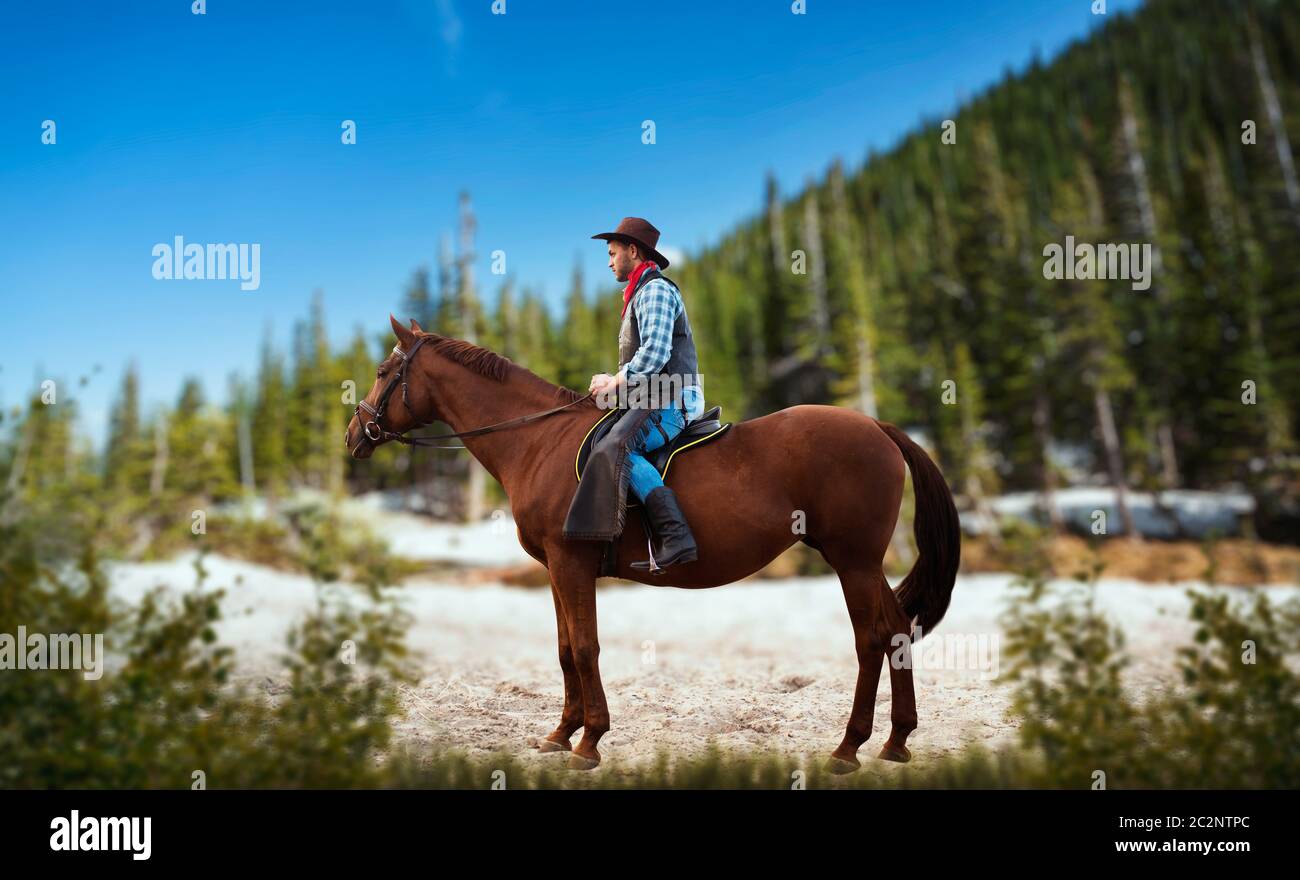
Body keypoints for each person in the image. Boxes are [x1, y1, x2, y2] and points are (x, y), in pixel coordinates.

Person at [587, 217, 703, 571]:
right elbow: (644, 361)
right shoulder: (641, 291)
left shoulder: (654, 291)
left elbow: (655, 354)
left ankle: (675, 535)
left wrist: (614, 383)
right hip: (656, 396)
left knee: (616, 449)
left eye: (612, 253)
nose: (608, 261)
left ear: (632, 251)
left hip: (671, 400)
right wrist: (612, 379)